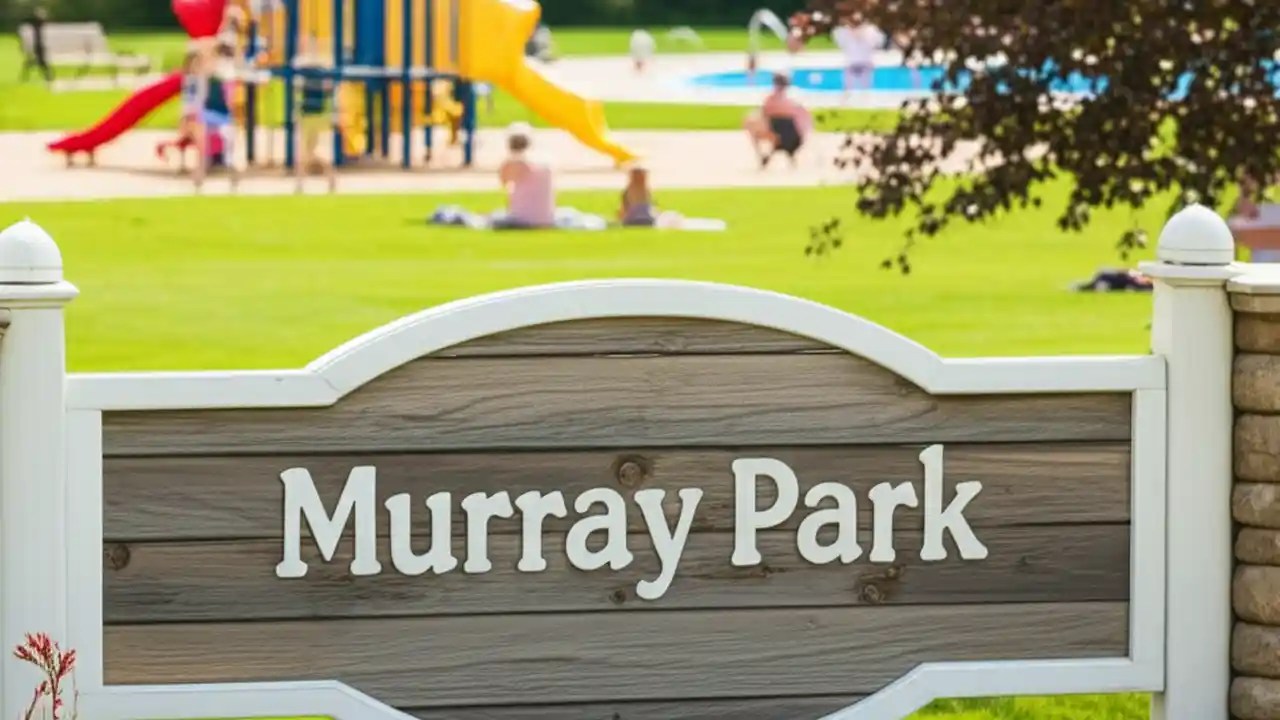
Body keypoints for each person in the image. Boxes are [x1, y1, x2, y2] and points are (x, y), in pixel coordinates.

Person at [495, 123, 556, 229]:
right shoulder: (544, 160)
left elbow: (503, 182)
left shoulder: (514, 163)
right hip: (547, 219)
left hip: (522, 219)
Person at [743, 73, 811, 168]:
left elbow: (764, 114)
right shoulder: (794, 100)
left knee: (756, 126)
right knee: (780, 129)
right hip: (795, 138)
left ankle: (762, 155)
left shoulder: (771, 100)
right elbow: (806, 121)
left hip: (779, 134)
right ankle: (781, 155)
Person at [831, 15, 885, 100]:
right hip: (855, 63)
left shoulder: (870, 31)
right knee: (850, 87)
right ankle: (849, 99)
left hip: (862, 63)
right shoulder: (844, 32)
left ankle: (861, 99)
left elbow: (879, 42)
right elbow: (879, 42)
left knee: (863, 88)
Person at [21, 5, 53, 84]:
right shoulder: (41, 25)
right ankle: (48, 76)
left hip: (38, 45)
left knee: (38, 61)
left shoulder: (35, 25)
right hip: (40, 46)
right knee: (41, 61)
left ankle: (47, 76)